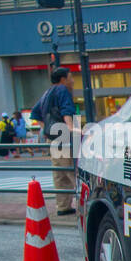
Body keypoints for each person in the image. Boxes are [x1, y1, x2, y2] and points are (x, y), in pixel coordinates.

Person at [33, 67, 77, 215]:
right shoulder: (63, 90)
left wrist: (46, 129)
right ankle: (84, 204)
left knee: (60, 175)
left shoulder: (47, 92)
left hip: (53, 138)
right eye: (70, 77)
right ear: (63, 79)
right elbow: (66, 110)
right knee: (72, 171)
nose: (72, 80)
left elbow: (35, 113)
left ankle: (63, 206)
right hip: (64, 137)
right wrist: (71, 128)